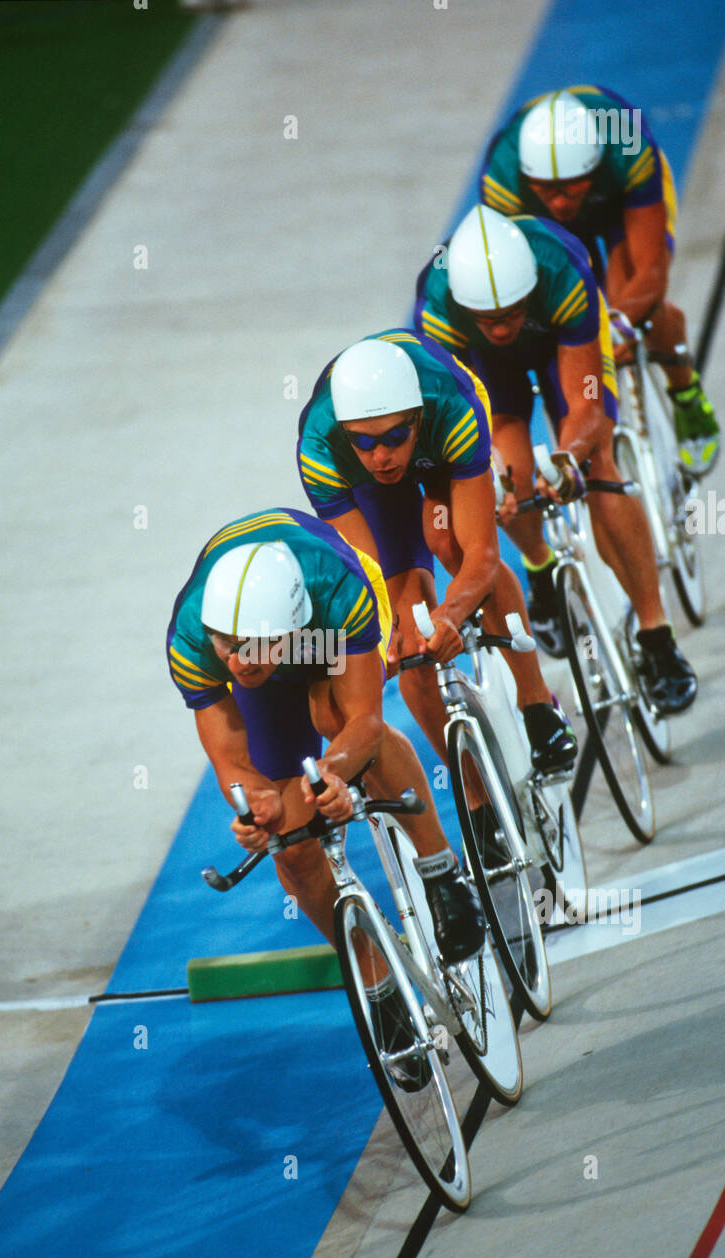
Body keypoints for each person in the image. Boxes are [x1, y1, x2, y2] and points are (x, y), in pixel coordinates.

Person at [167, 508, 488, 1082]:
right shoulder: (193, 637)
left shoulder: (340, 595)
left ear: (287, 631)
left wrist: (336, 772)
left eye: (254, 647)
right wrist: (254, 805)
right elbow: (232, 763)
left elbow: (364, 723)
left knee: (338, 715)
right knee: (289, 842)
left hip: (330, 623)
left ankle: (441, 871)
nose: (239, 661)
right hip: (287, 632)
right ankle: (376, 984)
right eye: (227, 647)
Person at [412, 204, 697, 714]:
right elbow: (465, 418)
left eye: (511, 314)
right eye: (488, 319)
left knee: (598, 466)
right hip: (486, 374)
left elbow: (587, 403)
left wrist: (569, 457)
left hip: (560, 344)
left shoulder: (561, 269)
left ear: (529, 291)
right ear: (463, 305)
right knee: (509, 479)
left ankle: (657, 636)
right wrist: (493, 470)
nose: (501, 328)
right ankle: (540, 567)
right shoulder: (437, 306)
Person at [297, 331, 578, 775]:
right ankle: (475, 798)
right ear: (345, 434)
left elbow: (482, 556)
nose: (382, 456)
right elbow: (364, 577)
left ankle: (537, 702)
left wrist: (452, 613)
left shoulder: (450, 408)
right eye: (364, 442)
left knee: (450, 542)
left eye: (393, 436)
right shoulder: (320, 447)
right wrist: (379, 634)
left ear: (416, 418)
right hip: (373, 490)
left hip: (442, 448)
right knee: (406, 628)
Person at [479, 86, 719, 475]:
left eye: (570, 187)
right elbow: (523, 286)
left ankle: (685, 390)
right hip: (538, 226)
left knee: (639, 301)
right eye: (548, 190)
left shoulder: (627, 148)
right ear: (528, 178)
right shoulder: (503, 183)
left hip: (617, 202)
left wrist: (615, 323)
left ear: (593, 166)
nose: (559, 202)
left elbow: (651, 274)